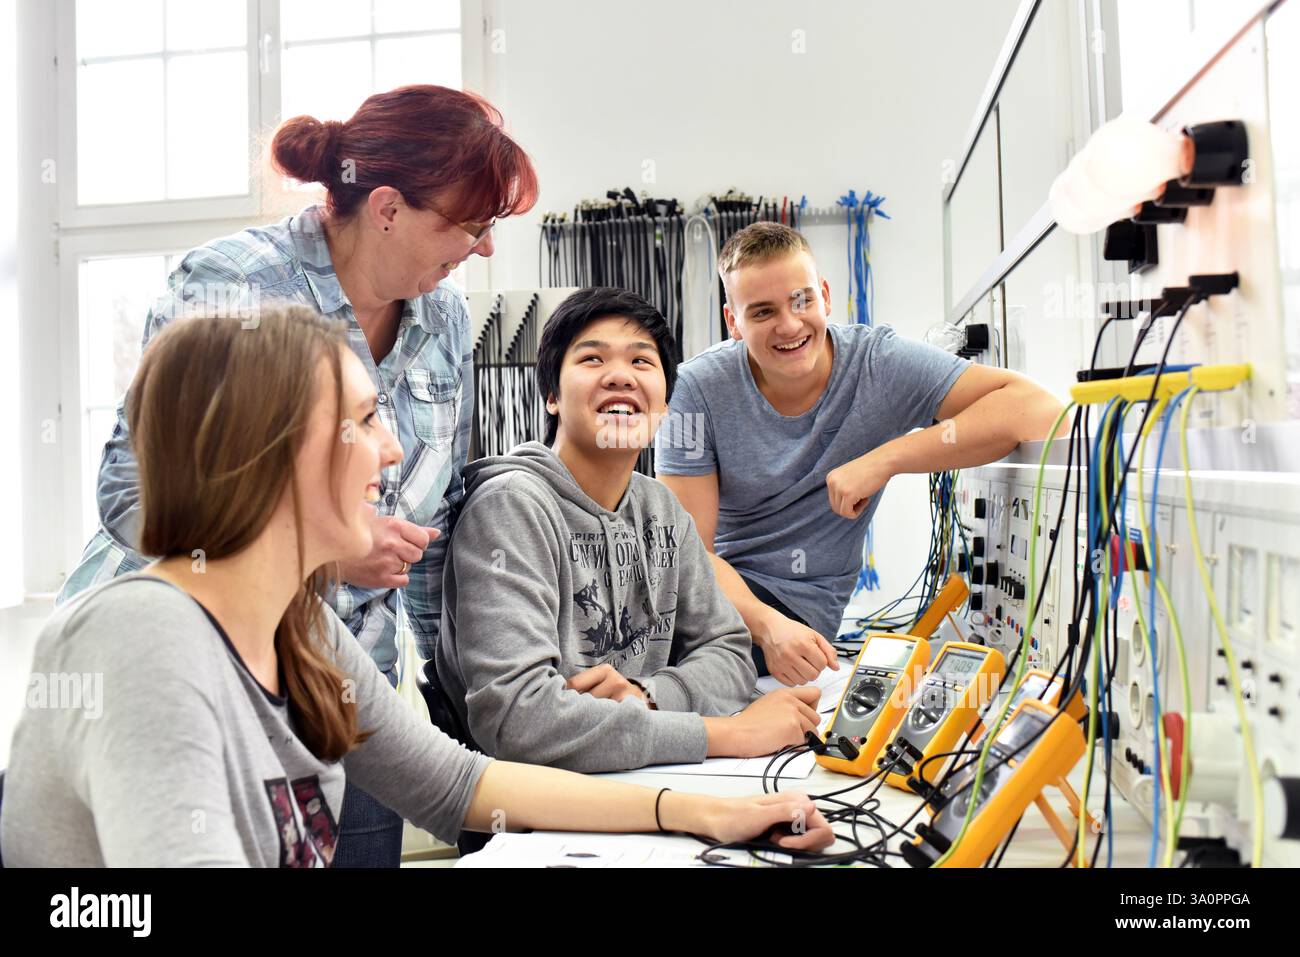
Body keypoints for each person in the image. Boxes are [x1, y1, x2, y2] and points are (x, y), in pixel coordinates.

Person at [0, 307, 833, 866]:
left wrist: (699, 812)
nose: (394, 451)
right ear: (268, 449)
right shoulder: (147, 639)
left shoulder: (302, 630)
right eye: (364, 420)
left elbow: (461, 783)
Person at [54, 85, 538, 868]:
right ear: (386, 208)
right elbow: (129, 491)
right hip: (200, 673)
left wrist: (464, 706)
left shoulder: (445, 318)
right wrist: (315, 548)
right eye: (472, 224)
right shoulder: (234, 285)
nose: (484, 248)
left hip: (348, 687)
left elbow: (434, 530)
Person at [655, 222, 1064, 686]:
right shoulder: (695, 389)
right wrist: (766, 628)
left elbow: (1040, 409)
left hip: (798, 612)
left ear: (825, 296)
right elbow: (687, 551)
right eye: (763, 311)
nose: (789, 325)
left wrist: (886, 458)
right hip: (720, 597)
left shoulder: (878, 365)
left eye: (801, 300)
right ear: (734, 323)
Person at [435, 288, 823, 772]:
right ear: (552, 396)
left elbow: (728, 651)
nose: (620, 376)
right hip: (538, 813)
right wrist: (727, 734)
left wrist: (649, 696)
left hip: (644, 779)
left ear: (664, 402)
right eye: (592, 358)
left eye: (643, 362)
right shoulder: (512, 506)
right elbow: (517, 720)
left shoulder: (661, 508)